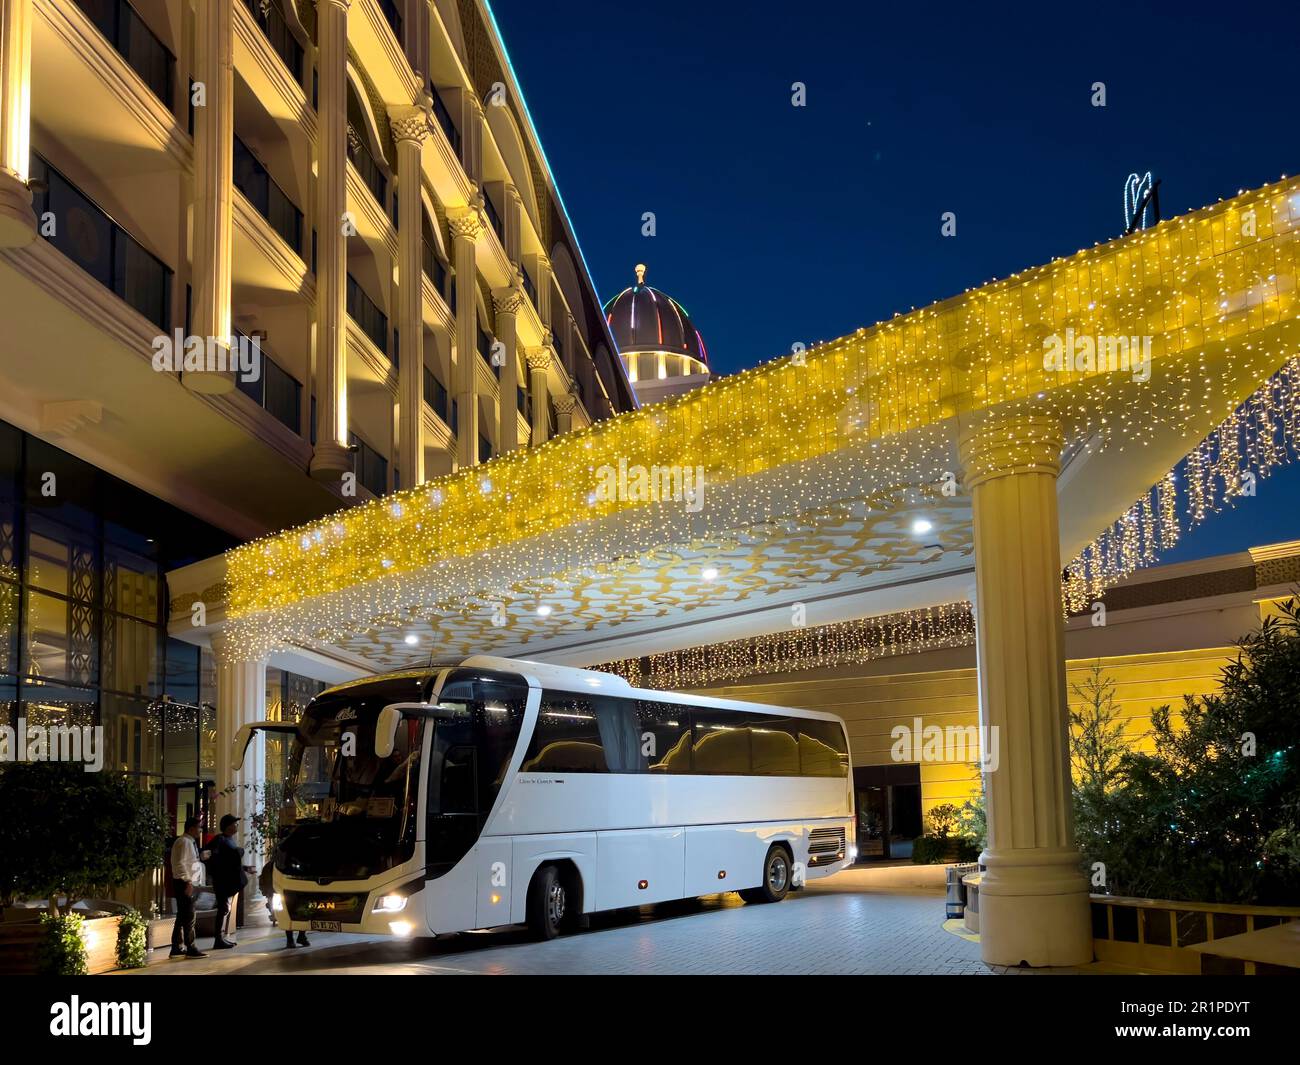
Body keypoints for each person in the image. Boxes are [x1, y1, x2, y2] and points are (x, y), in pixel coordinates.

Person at [206, 814, 254, 950]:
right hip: (222, 882)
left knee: (225, 909)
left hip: (228, 881)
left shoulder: (229, 840)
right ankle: (218, 939)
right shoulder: (220, 839)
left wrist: (244, 868)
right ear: (228, 826)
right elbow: (212, 857)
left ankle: (220, 937)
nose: (237, 826)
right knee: (222, 909)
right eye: (234, 824)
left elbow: (230, 862)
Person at [168, 818, 207, 959]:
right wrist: (188, 882)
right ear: (191, 828)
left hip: (187, 882)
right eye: (199, 827)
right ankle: (191, 947)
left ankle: (176, 947)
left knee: (183, 915)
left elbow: (189, 862)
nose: (200, 830)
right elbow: (180, 864)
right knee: (189, 916)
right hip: (184, 882)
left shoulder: (188, 842)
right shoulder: (184, 842)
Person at [259, 858, 309, 949]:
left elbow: (263, 881)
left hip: (284, 895)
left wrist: (268, 894)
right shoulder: (295, 863)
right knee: (301, 914)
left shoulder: (271, 865)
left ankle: (292, 940)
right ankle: (300, 937)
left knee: (290, 916)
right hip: (292, 894)